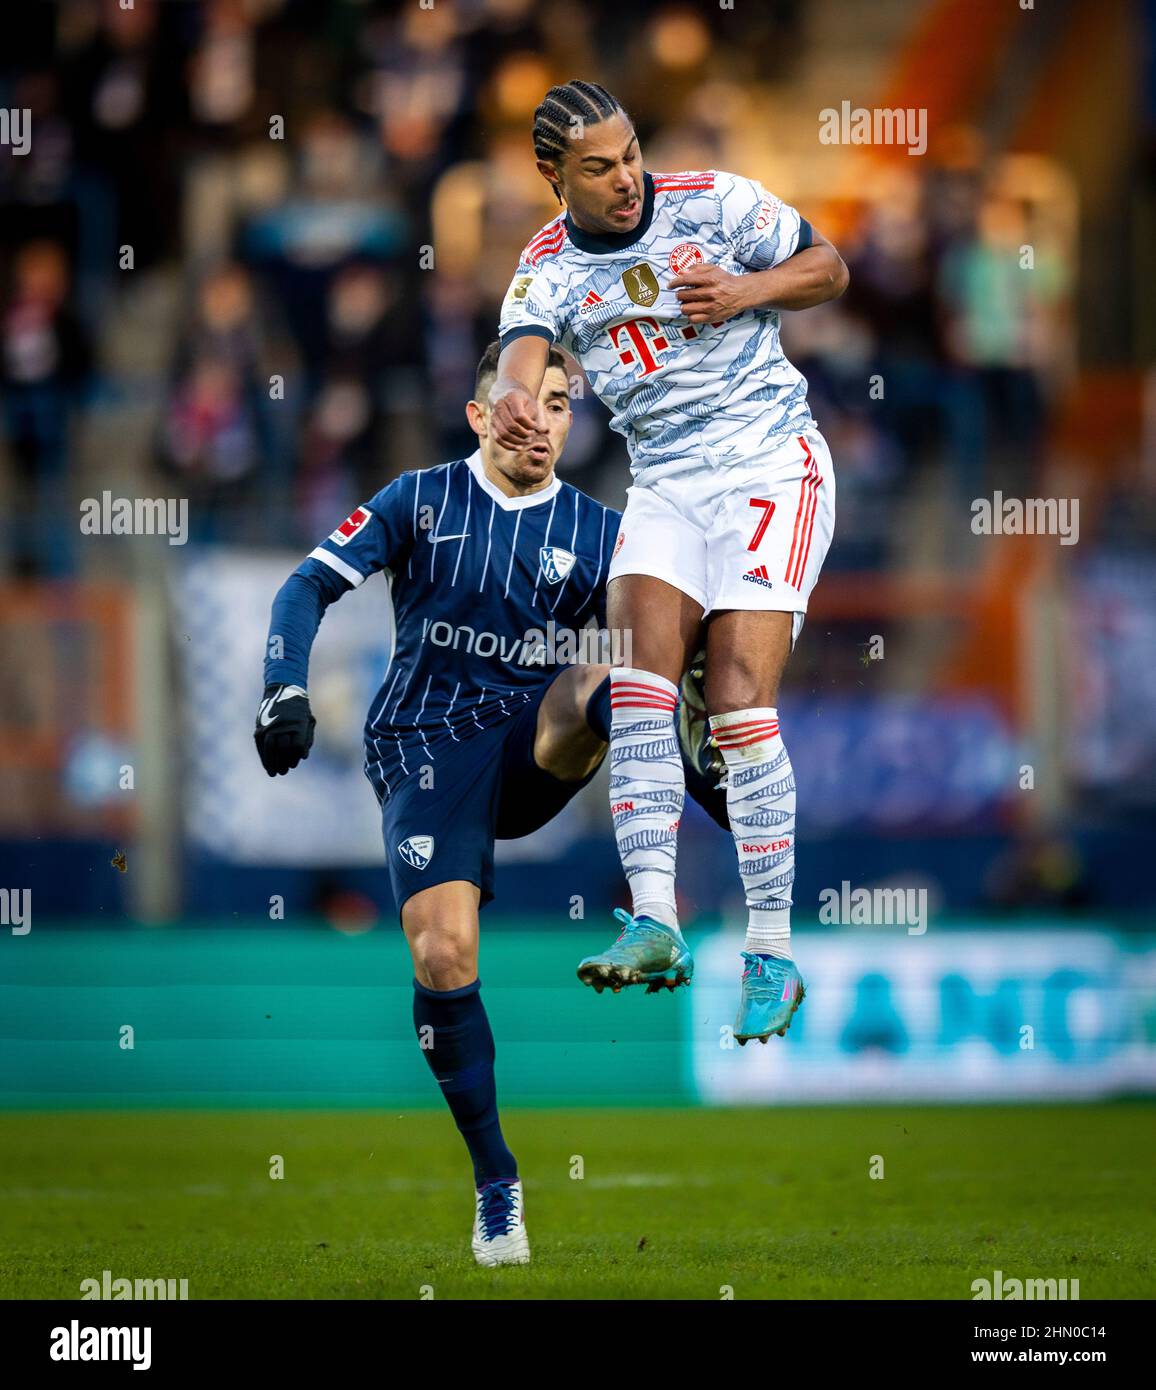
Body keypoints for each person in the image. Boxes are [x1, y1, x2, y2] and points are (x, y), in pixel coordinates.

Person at [254, 340, 720, 1265]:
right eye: (523, 400)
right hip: (424, 755)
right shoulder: (419, 498)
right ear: (479, 414)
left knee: (622, 670)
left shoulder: (598, 532)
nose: (541, 418)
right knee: (442, 952)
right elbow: (306, 583)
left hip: (528, 738)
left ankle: (693, 825)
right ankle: (497, 1181)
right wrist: (283, 688)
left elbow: (674, 636)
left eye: (560, 404)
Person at [491, 80, 850, 1046]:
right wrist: (518, 400)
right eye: (599, 166)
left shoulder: (717, 203)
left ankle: (772, 953)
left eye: (631, 153)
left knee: (736, 699)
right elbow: (521, 348)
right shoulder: (549, 266)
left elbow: (830, 266)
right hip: (666, 482)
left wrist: (747, 290)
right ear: (553, 175)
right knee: (638, 681)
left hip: (772, 460)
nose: (626, 178)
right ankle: (656, 920)